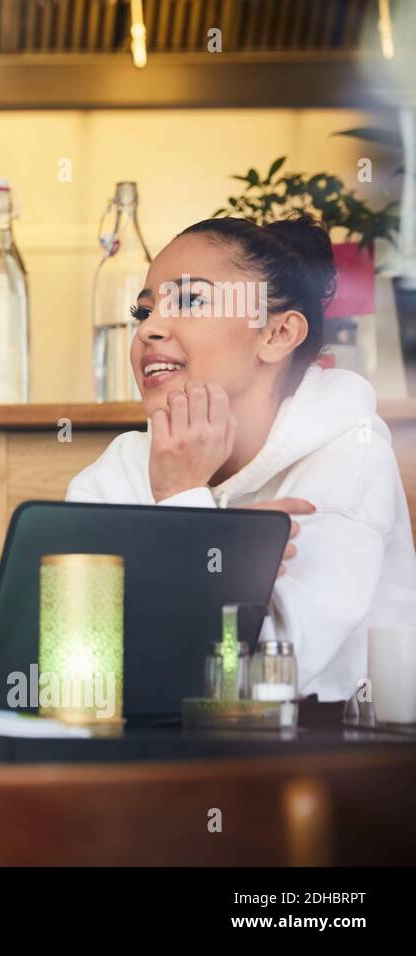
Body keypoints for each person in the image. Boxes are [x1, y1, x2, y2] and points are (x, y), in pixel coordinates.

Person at [66, 215, 416, 701]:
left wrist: (182, 503)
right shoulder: (116, 471)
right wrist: (224, 559)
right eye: (142, 313)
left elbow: (255, 683)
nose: (150, 330)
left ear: (277, 334)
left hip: (317, 765)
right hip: (145, 762)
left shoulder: (349, 455)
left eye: (190, 301)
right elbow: (71, 671)